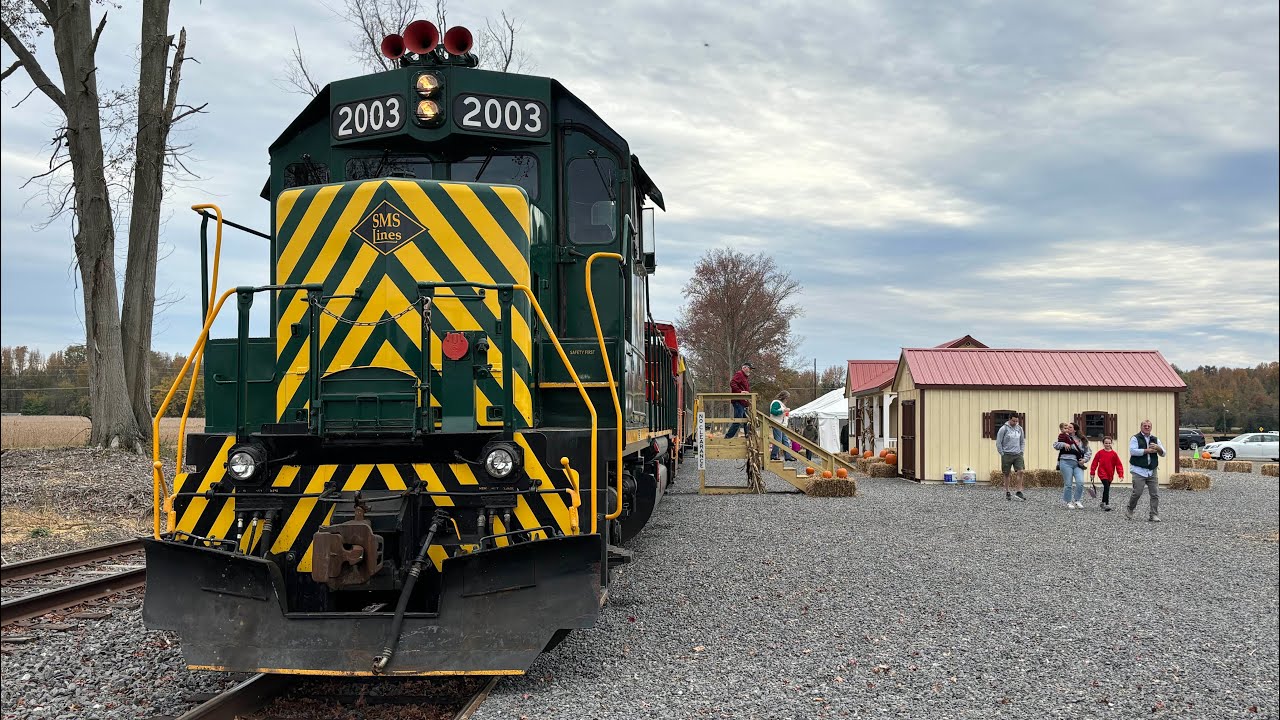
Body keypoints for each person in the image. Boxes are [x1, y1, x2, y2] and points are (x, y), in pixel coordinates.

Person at [1126, 419, 1165, 522]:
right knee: (1137, 493)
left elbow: (1163, 453)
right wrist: (1147, 451)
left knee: (1155, 494)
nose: (1147, 427)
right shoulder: (1135, 438)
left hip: (1152, 470)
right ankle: (1130, 508)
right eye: (1145, 426)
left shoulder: (1155, 439)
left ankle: (1154, 515)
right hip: (1138, 470)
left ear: (1151, 427)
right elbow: (1133, 451)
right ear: (1141, 427)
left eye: (1148, 426)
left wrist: (1158, 448)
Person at [1054, 422, 1091, 509]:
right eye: (1066, 427)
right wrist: (1063, 444)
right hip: (1065, 462)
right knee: (1068, 484)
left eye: (1070, 427)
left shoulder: (1082, 439)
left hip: (1078, 463)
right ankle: (1068, 501)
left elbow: (1088, 452)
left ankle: (1077, 500)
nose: (1067, 428)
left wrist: (1085, 459)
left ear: (1075, 430)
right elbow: (1055, 445)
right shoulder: (1063, 436)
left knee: (1080, 482)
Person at [1088, 435, 1125, 511]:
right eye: (1106, 443)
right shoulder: (1100, 453)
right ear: (1103, 443)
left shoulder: (1114, 454)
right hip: (1102, 473)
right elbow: (1094, 463)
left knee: (1107, 488)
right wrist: (1092, 473)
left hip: (1110, 474)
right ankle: (1107, 504)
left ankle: (1102, 502)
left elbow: (1118, 465)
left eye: (1109, 443)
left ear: (1111, 443)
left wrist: (1120, 474)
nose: (1107, 444)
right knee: (1106, 487)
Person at [995, 414, 1027, 501]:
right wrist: (1002, 453)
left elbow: (1022, 441)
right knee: (1007, 473)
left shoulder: (1019, 428)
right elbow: (998, 442)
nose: (1015, 422)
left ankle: (1019, 491)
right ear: (1009, 419)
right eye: (1013, 421)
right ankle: (1007, 491)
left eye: (1016, 421)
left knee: (1020, 471)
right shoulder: (1003, 429)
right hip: (1007, 454)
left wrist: (1021, 451)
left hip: (1018, 454)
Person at [722, 362, 753, 439]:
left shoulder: (745, 377)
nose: (750, 371)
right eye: (749, 368)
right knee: (738, 420)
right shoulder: (739, 374)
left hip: (743, 402)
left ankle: (747, 436)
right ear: (744, 368)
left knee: (747, 420)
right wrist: (740, 392)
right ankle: (727, 437)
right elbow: (732, 383)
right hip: (738, 401)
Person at [768, 390, 795, 462]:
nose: (787, 400)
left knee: (785, 440)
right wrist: (784, 411)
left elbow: (784, 415)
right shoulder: (776, 403)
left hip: (782, 425)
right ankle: (773, 455)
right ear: (784, 397)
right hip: (776, 423)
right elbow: (773, 411)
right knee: (778, 440)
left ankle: (788, 456)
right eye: (787, 398)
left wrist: (785, 414)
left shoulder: (782, 405)